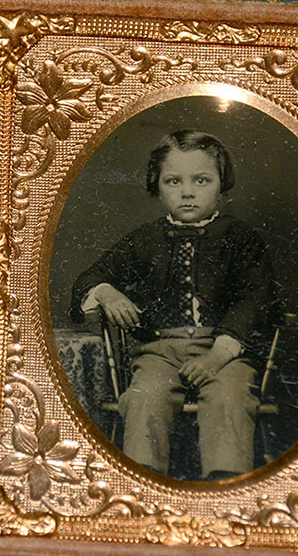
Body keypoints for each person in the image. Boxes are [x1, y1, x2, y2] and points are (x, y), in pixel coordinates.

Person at [70, 129, 275, 480]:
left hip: (225, 353)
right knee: (143, 396)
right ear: (157, 186)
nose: (188, 192)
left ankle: (225, 483)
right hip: (158, 352)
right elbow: (87, 280)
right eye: (173, 181)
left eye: (201, 180)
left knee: (230, 397)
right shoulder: (143, 239)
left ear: (221, 184)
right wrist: (106, 292)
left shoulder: (241, 240)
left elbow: (255, 300)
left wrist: (216, 357)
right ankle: (141, 482)